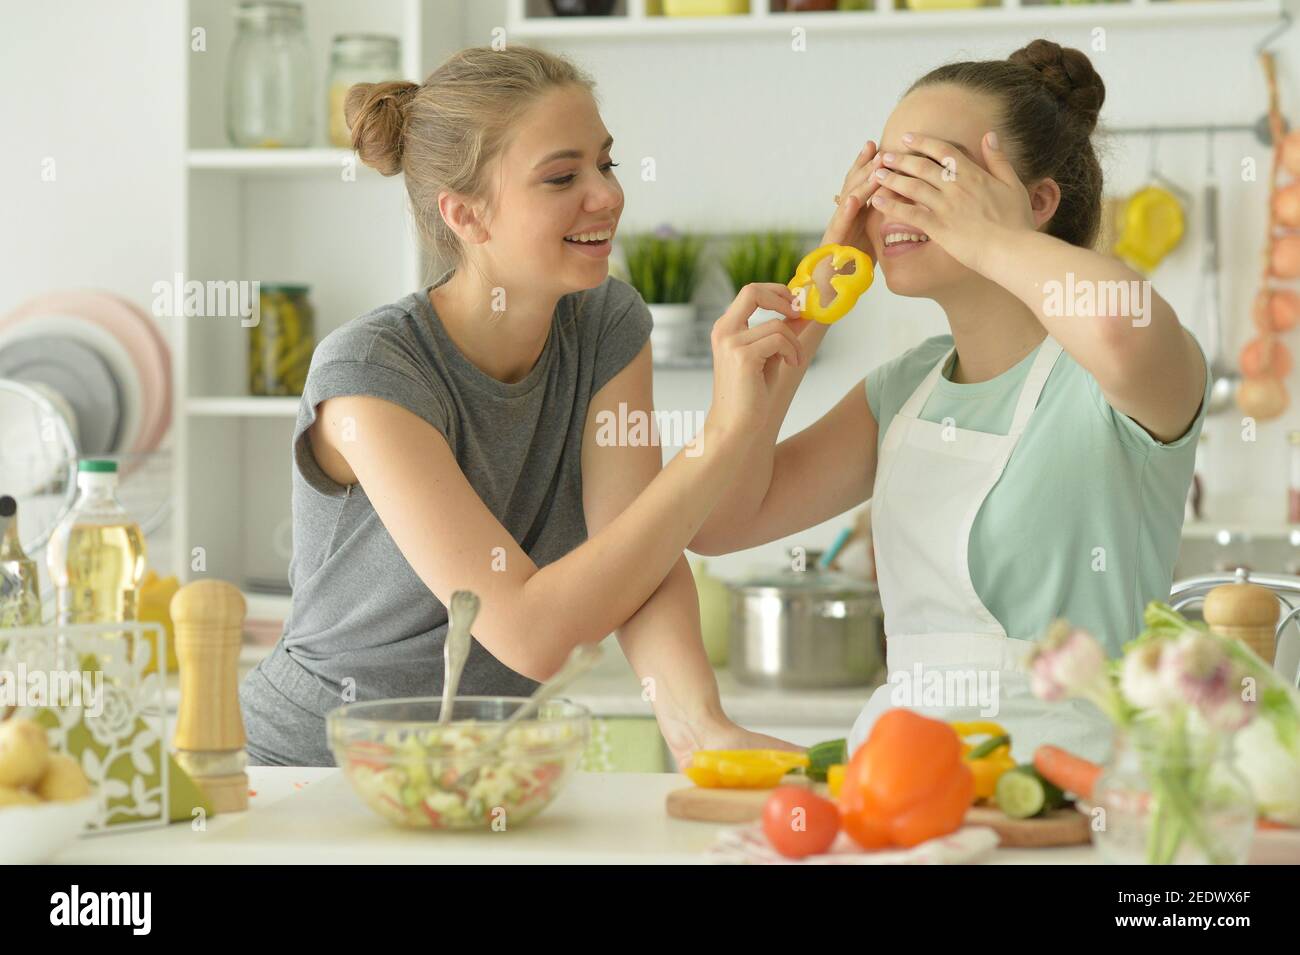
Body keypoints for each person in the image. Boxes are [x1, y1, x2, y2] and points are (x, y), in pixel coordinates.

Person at [238, 46, 808, 767]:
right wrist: (723, 437)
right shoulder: (371, 372)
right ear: (465, 215)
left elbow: (639, 549)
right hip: (309, 771)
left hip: (480, 767)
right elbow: (529, 634)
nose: (605, 195)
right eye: (562, 176)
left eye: (607, 163)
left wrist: (699, 727)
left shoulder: (606, 323)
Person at [689, 39, 1211, 766]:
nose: (895, 199)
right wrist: (807, 318)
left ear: (1037, 202)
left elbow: (1119, 325)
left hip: (1078, 793)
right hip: (904, 784)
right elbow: (716, 518)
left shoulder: (1119, 372)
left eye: (937, 173)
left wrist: (985, 235)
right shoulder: (901, 390)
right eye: (883, 175)